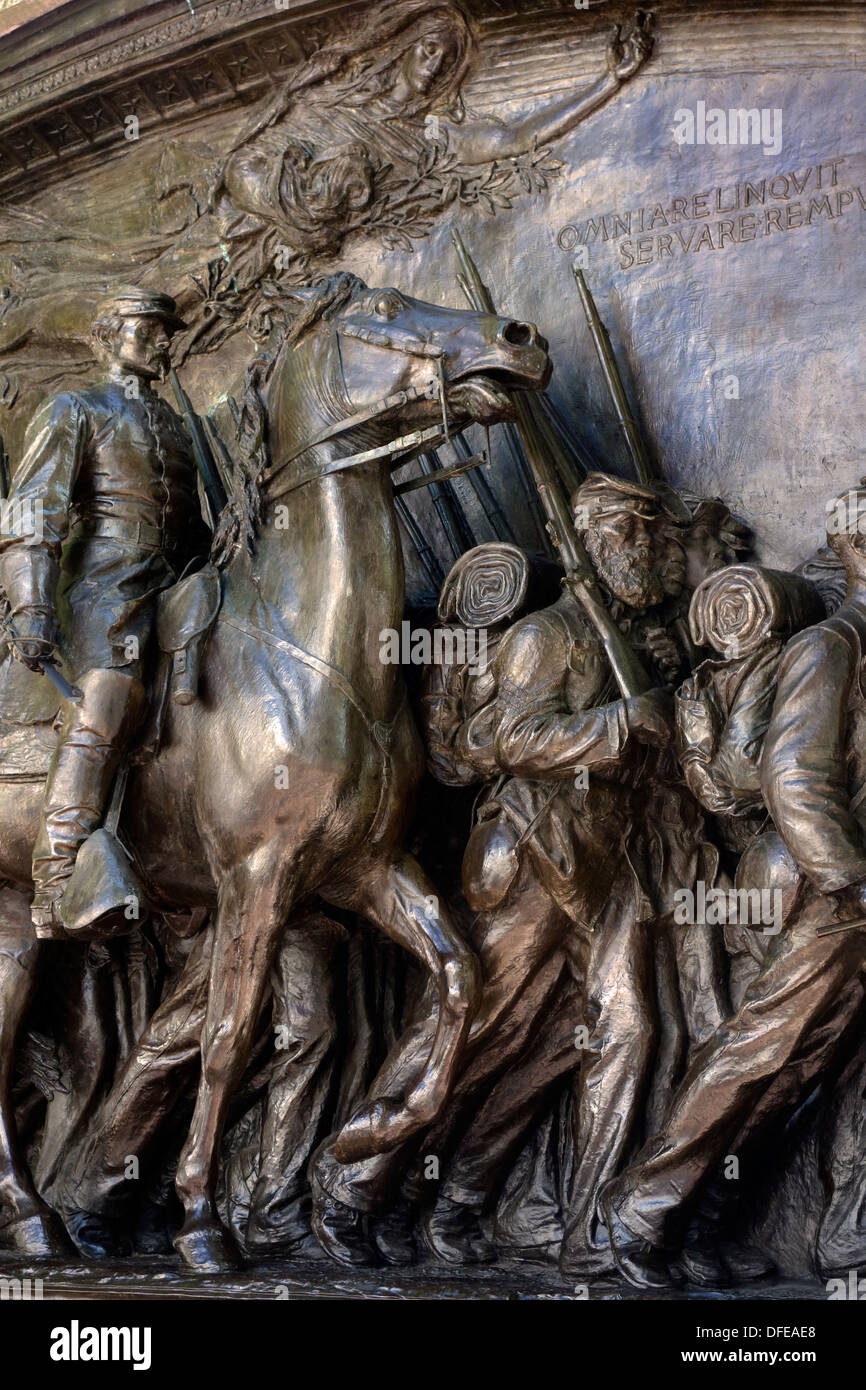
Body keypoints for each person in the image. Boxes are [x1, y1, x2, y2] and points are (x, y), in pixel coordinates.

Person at [602, 484, 866, 1288]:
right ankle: (641, 1209)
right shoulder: (834, 643)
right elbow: (794, 778)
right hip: (821, 887)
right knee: (760, 1049)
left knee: (799, 1066)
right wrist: (851, 881)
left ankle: (704, 1221)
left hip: (843, 895)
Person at [0, 287, 209, 933]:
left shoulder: (174, 422)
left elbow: (191, 522)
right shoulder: (75, 408)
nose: (163, 341)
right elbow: (35, 513)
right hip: (104, 585)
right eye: (148, 330)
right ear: (107, 334)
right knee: (110, 694)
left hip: (180, 579)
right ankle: (57, 875)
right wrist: (32, 603)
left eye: (167, 331)